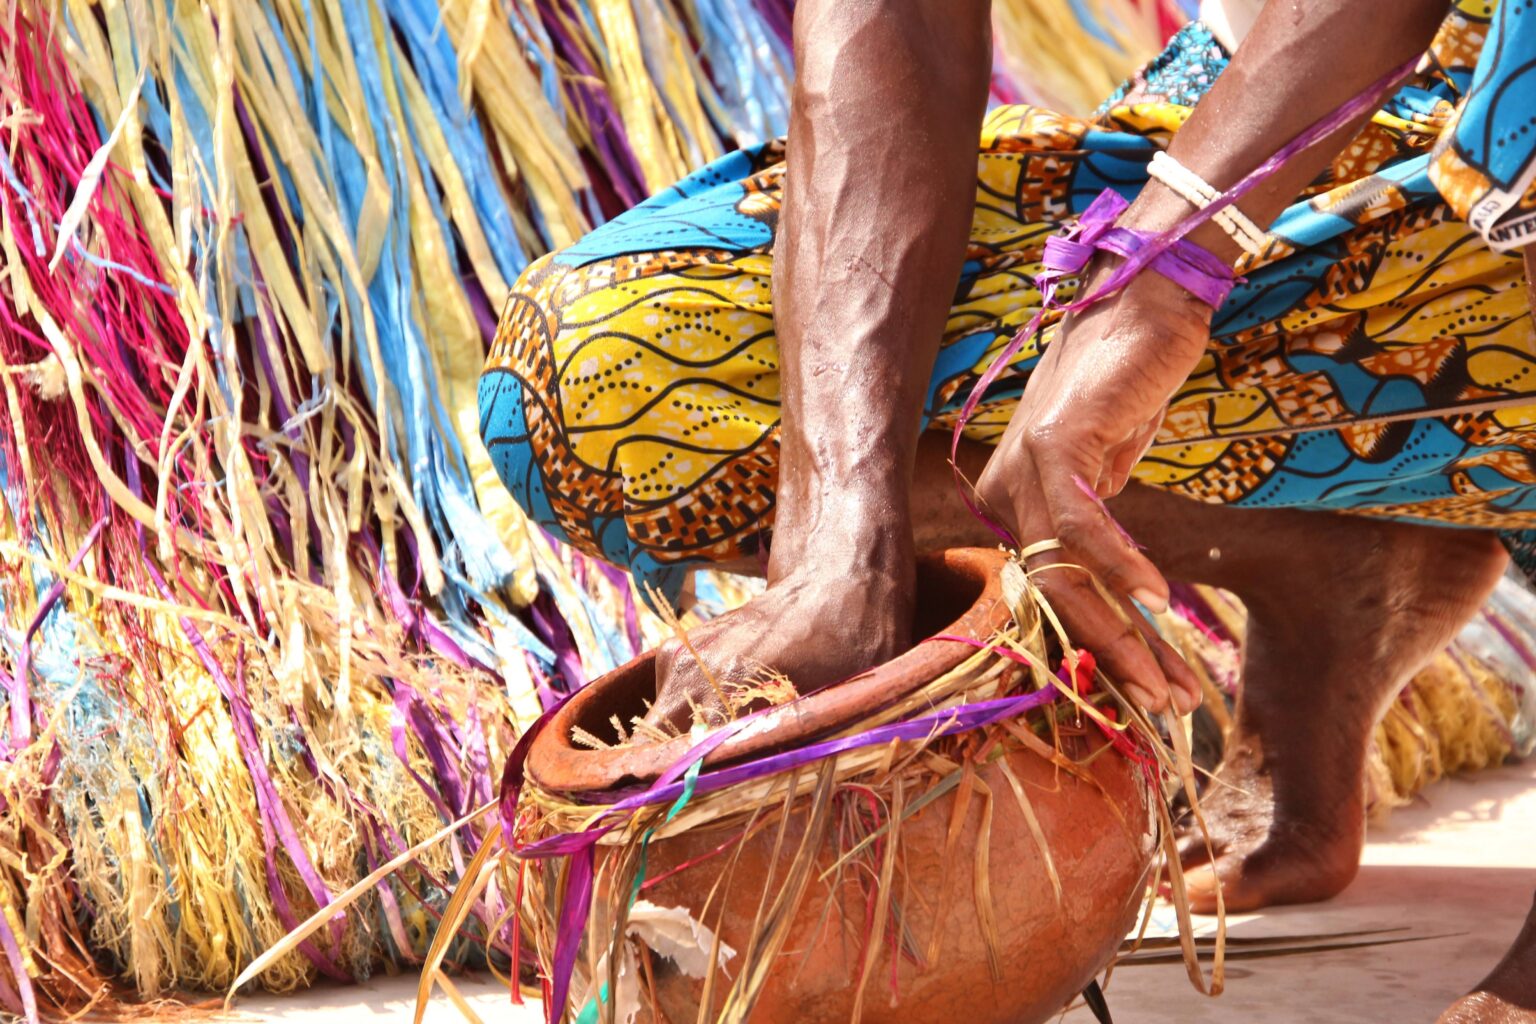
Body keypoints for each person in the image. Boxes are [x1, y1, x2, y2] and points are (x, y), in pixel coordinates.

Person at [479, 0, 1536, 1017]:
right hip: (1275, 138)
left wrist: (1160, 273)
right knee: (594, 384)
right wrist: (840, 544)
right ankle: (1345, 563)